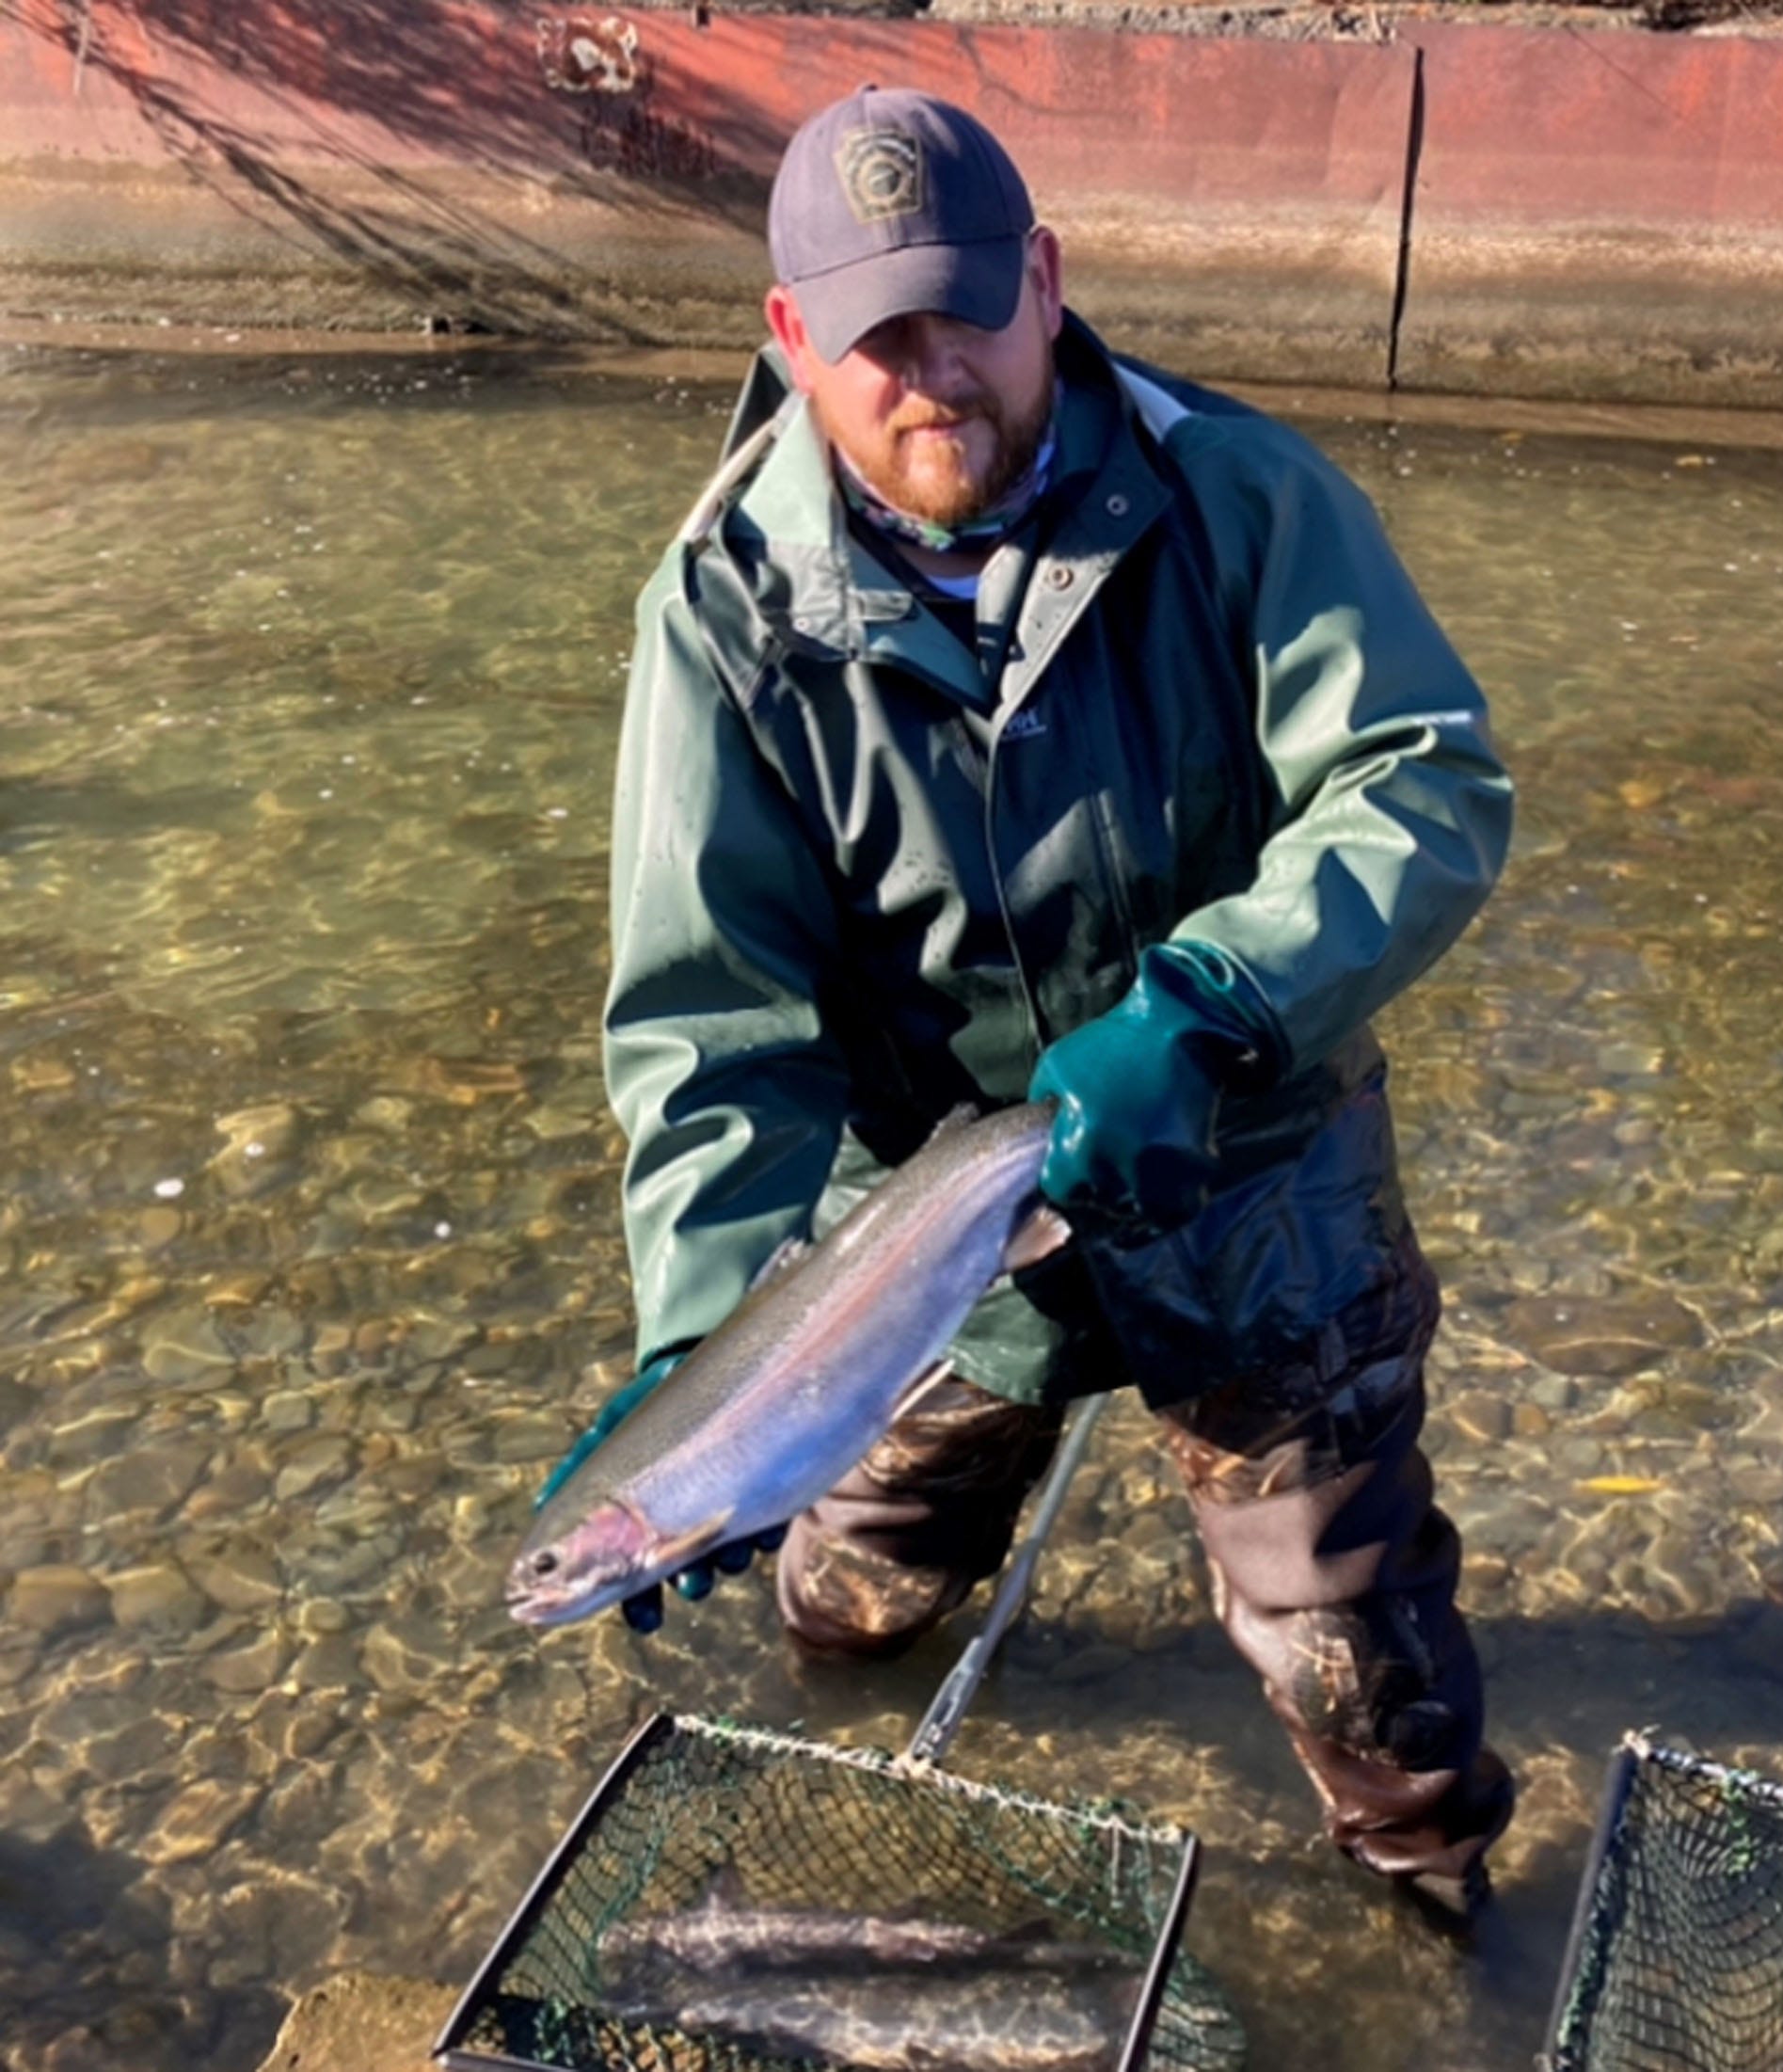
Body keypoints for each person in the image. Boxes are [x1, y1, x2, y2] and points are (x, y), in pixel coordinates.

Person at [589, 85, 1516, 1920]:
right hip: (918, 1246)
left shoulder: (1237, 493)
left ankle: (1438, 1927)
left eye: (963, 308)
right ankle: (843, 1723)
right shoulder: (719, 617)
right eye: (872, 336)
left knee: (1364, 1671)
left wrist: (1206, 1011)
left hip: (1249, 1189)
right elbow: (712, 1028)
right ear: (790, 341)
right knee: (845, 1593)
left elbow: (1424, 782)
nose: (930, 371)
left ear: (1044, 278)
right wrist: (700, 1365)